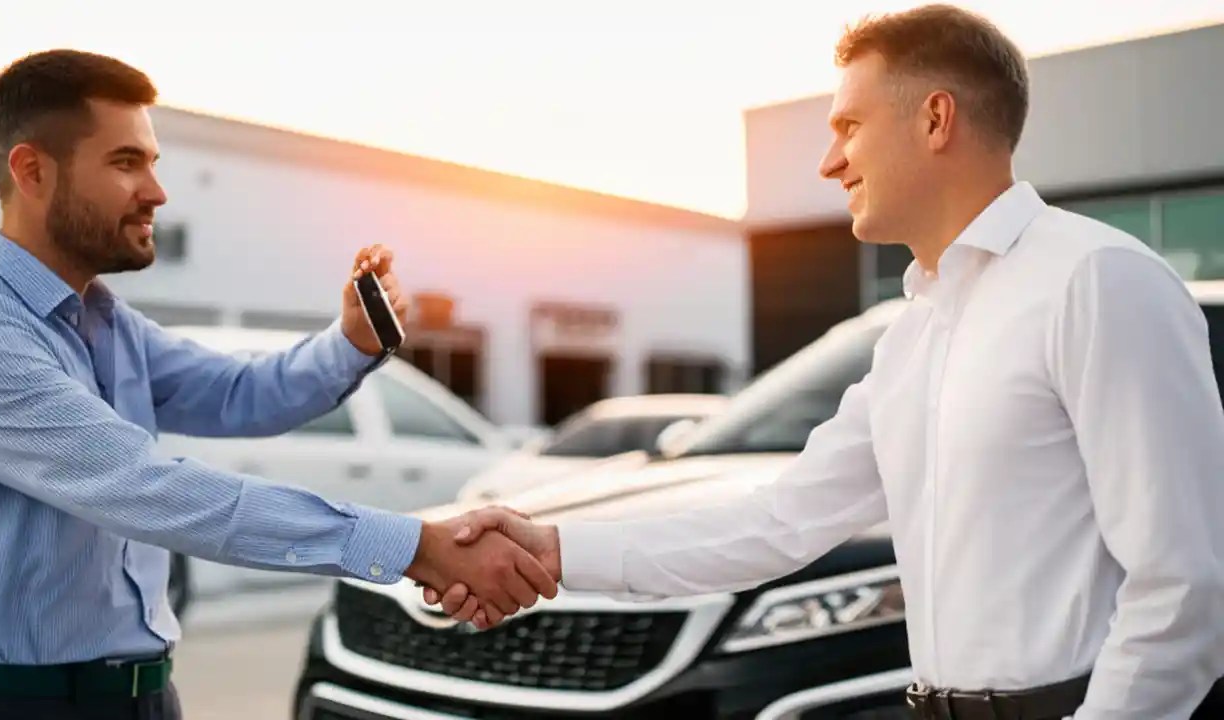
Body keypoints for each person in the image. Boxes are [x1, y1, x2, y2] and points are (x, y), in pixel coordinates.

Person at [427, 5, 1224, 719]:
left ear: (935, 118)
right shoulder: (914, 337)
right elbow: (773, 524)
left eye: (849, 126)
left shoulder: (1097, 279)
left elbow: (1186, 584)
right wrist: (553, 547)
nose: (829, 162)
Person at [0, 49, 556, 720]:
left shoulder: (106, 323)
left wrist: (351, 341)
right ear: (32, 170)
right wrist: (417, 548)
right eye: (125, 163)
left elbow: (241, 393)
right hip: (15, 705)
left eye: (153, 162)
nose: (157, 191)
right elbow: (148, 487)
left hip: (146, 696)